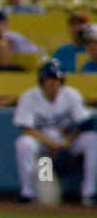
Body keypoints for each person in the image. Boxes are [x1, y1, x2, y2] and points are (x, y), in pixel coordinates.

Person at [13, 60, 96, 205]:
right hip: (44, 151)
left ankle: (89, 192)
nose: (53, 83)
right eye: (49, 79)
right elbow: (26, 129)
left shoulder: (71, 95)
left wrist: (64, 144)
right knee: (23, 143)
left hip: (66, 142)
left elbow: (85, 124)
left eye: (57, 79)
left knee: (92, 139)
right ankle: (27, 192)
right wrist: (54, 145)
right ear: (42, 81)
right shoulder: (29, 96)